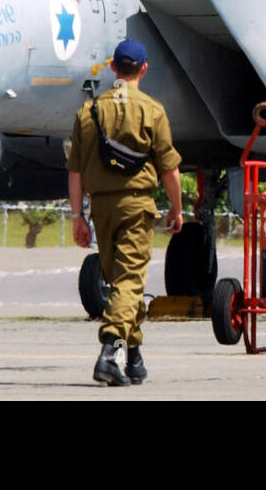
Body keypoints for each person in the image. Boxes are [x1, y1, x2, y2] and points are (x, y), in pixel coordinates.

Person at [68, 39, 184, 386]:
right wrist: (177, 209)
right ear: (143, 69)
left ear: (113, 68)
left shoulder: (88, 112)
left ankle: (133, 356)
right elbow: (169, 169)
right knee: (129, 283)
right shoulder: (152, 110)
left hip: (101, 209)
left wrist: (78, 216)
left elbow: (74, 171)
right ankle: (109, 351)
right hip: (136, 206)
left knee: (121, 285)